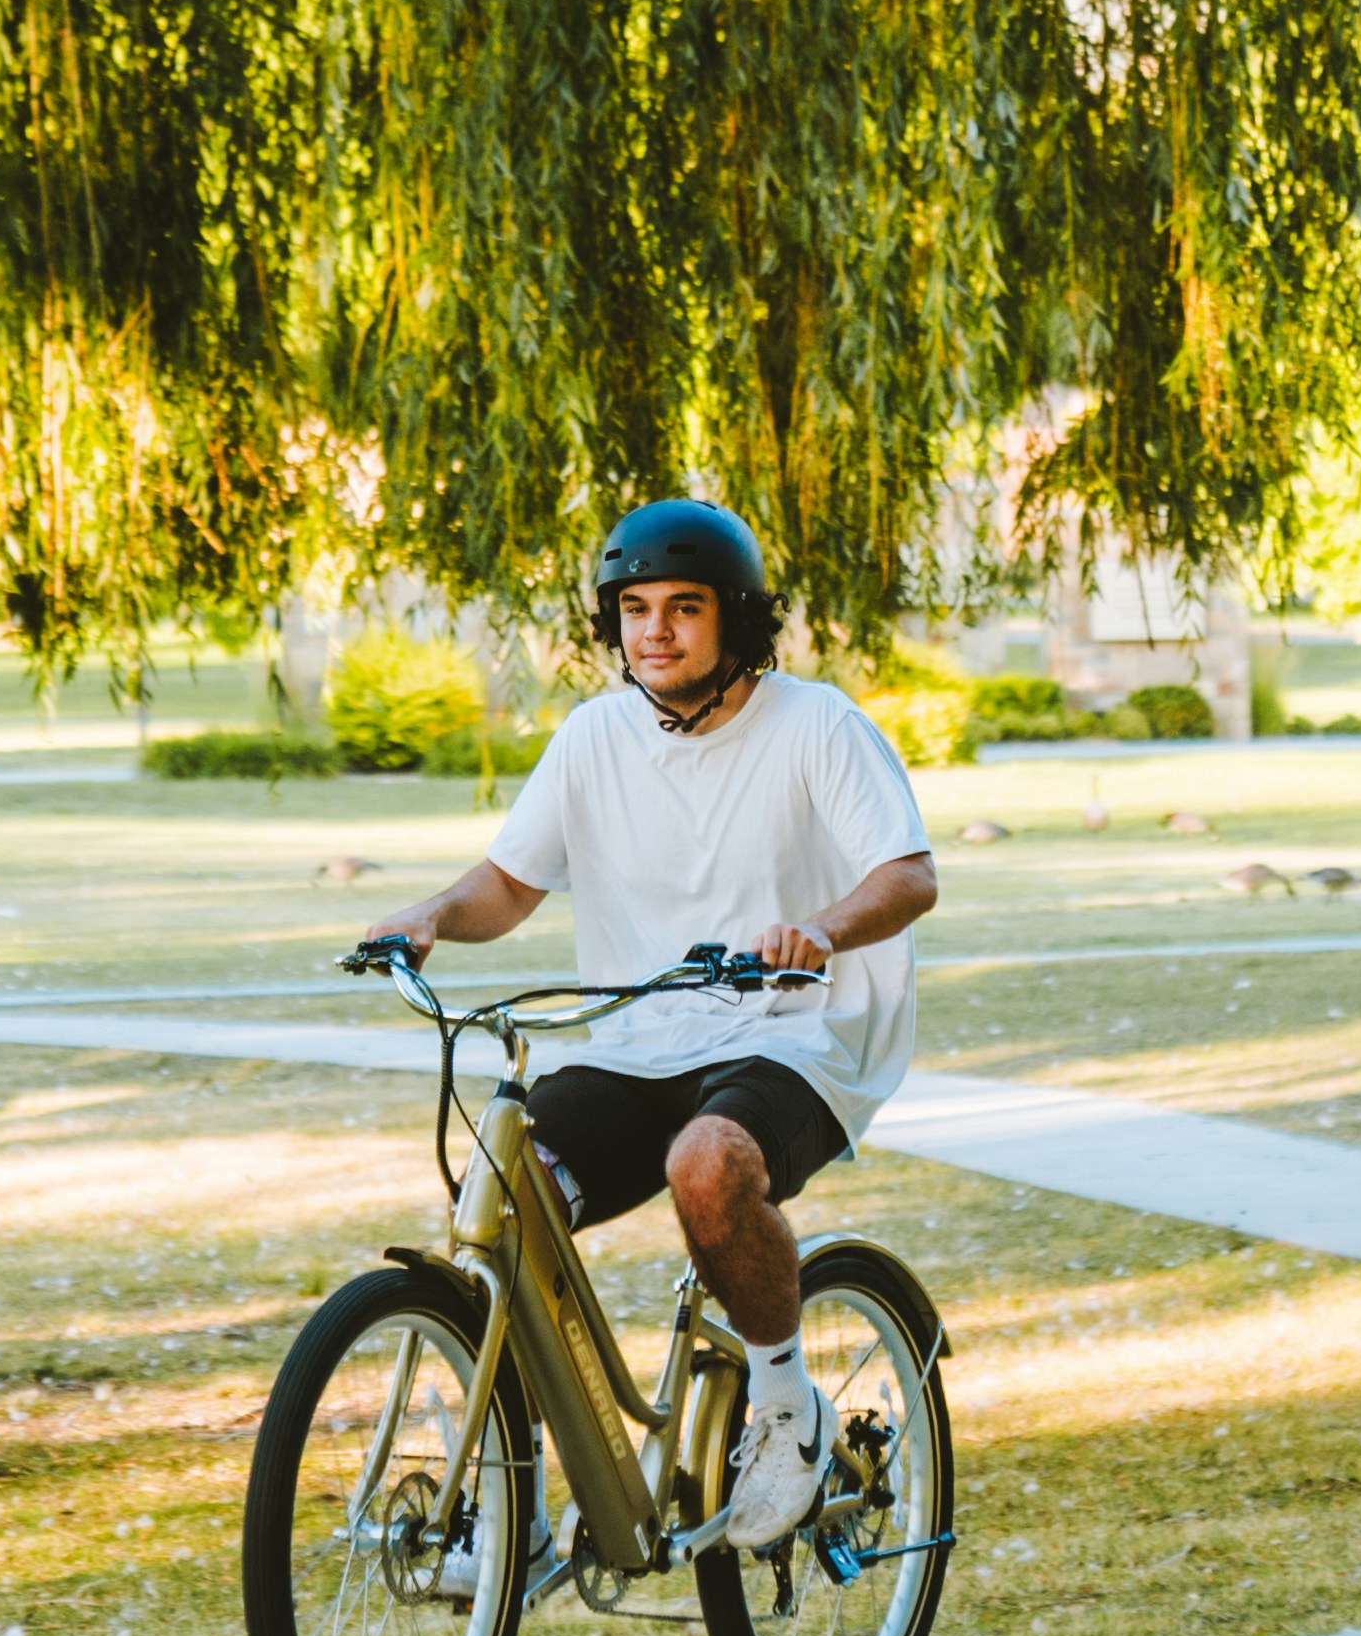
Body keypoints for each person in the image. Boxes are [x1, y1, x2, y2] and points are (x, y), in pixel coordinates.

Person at [367, 500, 938, 1548]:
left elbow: (906, 877)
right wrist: (430, 918)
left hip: (794, 1035)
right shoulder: (595, 738)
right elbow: (507, 883)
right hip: (639, 1042)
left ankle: (784, 1411)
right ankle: (512, 1497)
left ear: (740, 620)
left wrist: (818, 928)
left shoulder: (817, 727)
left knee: (708, 1166)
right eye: (634, 609)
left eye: (683, 607)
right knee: (504, 1191)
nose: (656, 631)